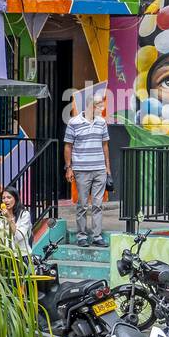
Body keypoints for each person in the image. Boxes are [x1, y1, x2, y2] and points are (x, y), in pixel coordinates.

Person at [64, 93, 111, 247]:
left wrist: (107, 169)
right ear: (91, 106)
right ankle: (82, 236)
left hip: (99, 169)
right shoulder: (74, 122)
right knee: (83, 204)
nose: (102, 108)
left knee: (98, 205)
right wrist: (69, 167)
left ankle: (97, 236)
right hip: (81, 169)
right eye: (99, 105)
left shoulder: (102, 122)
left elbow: (105, 145)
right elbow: (68, 146)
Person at [0, 185, 32, 257]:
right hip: (4, 255)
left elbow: (19, 237)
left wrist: (9, 218)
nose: (6, 200)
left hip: (20, 255)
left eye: (9, 197)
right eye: (3, 198)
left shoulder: (24, 215)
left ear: (15, 199)